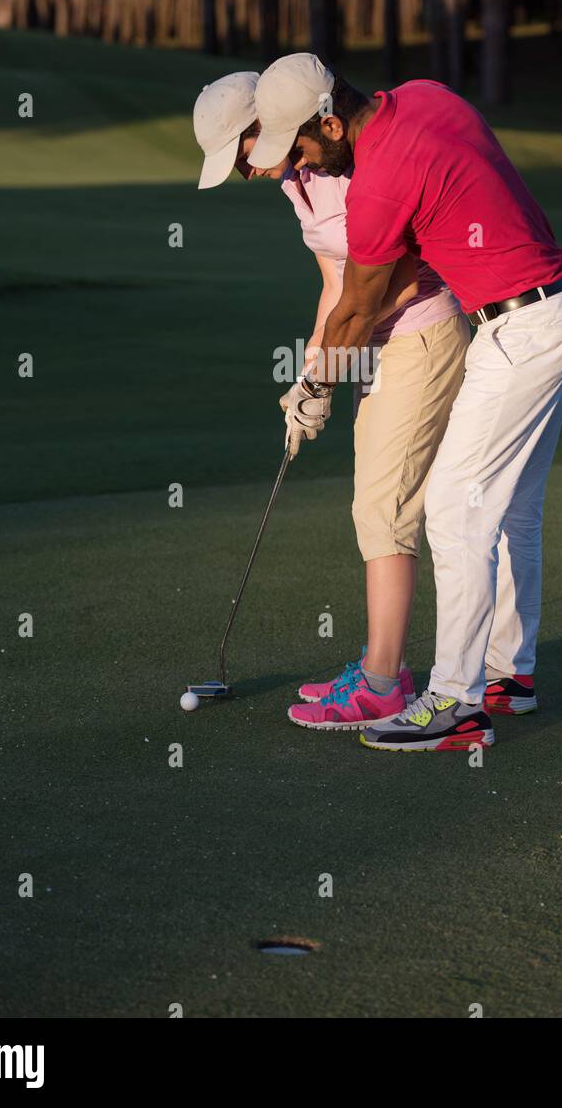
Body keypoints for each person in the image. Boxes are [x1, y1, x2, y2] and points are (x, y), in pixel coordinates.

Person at [249, 54, 562, 753]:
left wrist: (314, 388)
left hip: (520, 332)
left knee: (453, 509)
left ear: (328, 121)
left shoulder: (377, 184)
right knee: (512, 509)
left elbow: (358, 305)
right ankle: (508, 674)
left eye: (303, 150)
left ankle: (456, 703)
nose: (304, 167)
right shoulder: (425, 95)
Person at [193, 71, 469, 730]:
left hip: (421, 336)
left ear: (265, 131)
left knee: (385, 508)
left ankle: (381, 685)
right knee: (374, 504)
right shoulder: (298, 181)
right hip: (374, 346)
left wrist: (328, 375)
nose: (244, 173)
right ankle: (383, 667)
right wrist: (311, 373)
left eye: (240, 157)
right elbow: (335, 284)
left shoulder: (342, 168)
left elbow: (396, 280)